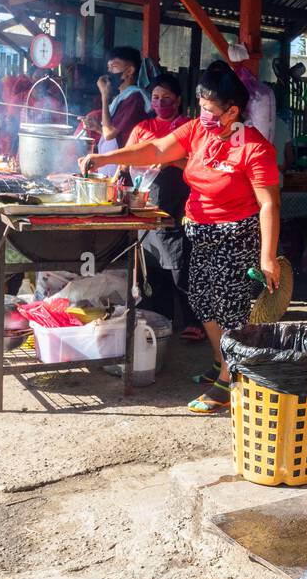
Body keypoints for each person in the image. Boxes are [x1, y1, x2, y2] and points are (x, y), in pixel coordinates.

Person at [80, 65, 281, 414]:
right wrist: (105, 158)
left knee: (230, 309)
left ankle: (230, 378)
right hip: (199, 231)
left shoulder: (255, 148)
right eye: (201, 105)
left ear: (233, 111)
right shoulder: (197, 132)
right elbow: (156, 150)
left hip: (236, 237)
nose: (202, 113)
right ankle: (225, 363)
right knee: (202, 302)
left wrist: (268, 257)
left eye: (210, 109)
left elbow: (269, 204)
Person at [128, 75, 203, 342]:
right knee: (151, 265)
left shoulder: (186, 127)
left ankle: (193, 320)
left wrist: (172, 160)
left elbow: (196, 166)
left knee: (180, 265)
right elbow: (127, 160)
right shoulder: (142, 127)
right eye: (156, 98)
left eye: (167, 98)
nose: (160, 103)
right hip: (148, 203)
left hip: (179, 202)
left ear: (179, 100)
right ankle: (160, 319)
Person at [95, 46, 150, 176]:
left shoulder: (135, 98)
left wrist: (104, 95)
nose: (109, 73)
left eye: (114, 67)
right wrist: (97, 127)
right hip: (111, 164)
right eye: (108, 68)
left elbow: (109, 134)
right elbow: (115, 131)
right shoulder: (121, 98)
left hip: (124, 167)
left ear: (129, 71)